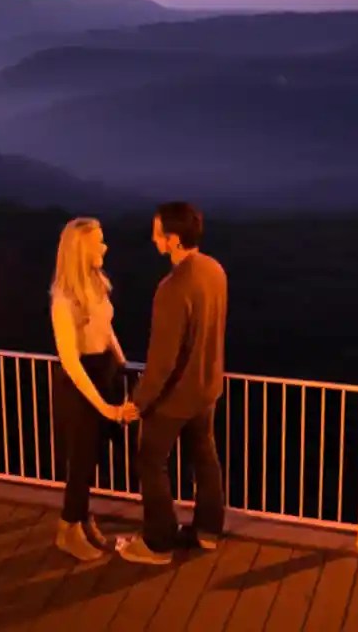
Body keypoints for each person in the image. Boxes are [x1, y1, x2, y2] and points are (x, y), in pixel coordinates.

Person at [117, 202, 228, 565]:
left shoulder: (172, 288)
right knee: (204, 456)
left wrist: (138, 401)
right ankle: (208, 531)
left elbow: (162, 361)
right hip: (207, 390)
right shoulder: (215, 271)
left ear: (174, 240)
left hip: (175, 398)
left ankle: (158, 543)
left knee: (150, 460)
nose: (153, 239)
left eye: (157, 232)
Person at [49, 217, 129, 561]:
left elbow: (105, 325)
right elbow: (70, 361)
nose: (105, 247)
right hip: (81, 382)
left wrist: (122, 360)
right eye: (98, 242)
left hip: (105, 371)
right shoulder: (63, 300)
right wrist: (104, 407)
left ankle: (82, 519)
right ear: (81, 250)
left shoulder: (96, 283)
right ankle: (67, 529)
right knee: (80, 461)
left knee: (92, 457)